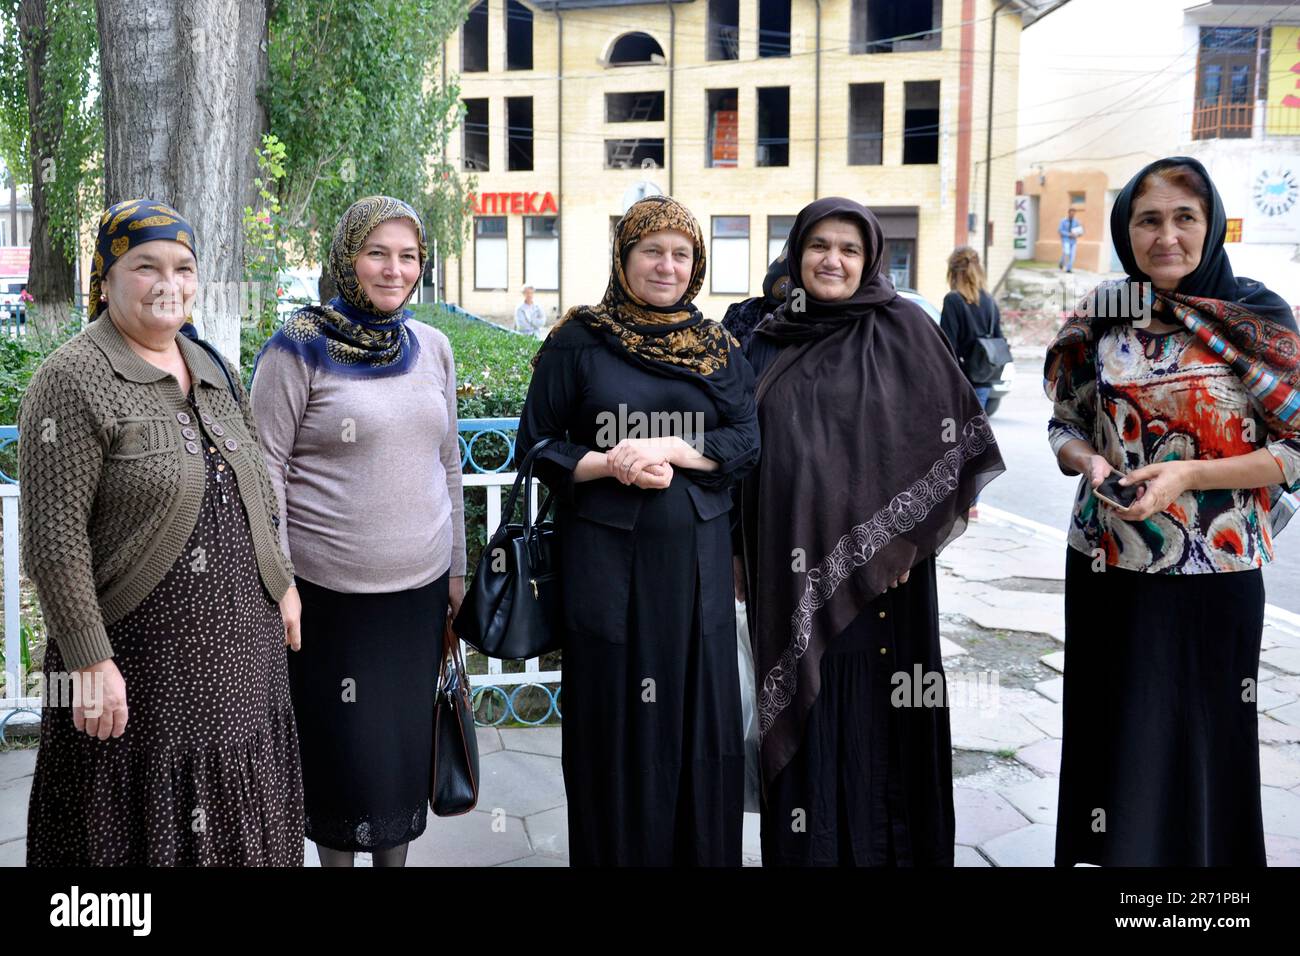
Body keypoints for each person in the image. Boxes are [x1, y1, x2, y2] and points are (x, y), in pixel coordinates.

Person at [20, 199, 304, 865]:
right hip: (140, 670)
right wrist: (90, 660)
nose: (167, 282)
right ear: (107, 276)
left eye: (183, 266)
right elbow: (54, 543)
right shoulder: (73, 378)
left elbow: (257, 483)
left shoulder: (212, 366)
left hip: (244, 661)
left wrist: (283, 585)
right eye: (146, 266)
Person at [1045, 157, 1300, 866]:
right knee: (1116, 728)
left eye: (1184, 217)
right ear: (1127, 231)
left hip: (1216, 572)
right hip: (1108, 564)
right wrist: (1090, 463)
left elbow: (1296, 447)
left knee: (1202, 735)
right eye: (1148, 220)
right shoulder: (1102, 314)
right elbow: (1064, 425)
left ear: (1210, 223)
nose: (1167, 236)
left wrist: (1188, 473)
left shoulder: (1257, 316)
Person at [737, 197, 1005, 867]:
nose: (833, 259)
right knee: (810, 719)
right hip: (789, 573)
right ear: (796, 253)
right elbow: (736, 451)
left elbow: (955, 440)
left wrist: (910, 534)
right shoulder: (767, 335)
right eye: (819, 245)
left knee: (882, 732)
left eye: (849, 249)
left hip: (889, 585)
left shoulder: (906, 328)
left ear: (870, 259)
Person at [516, 195, 760, 866]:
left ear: (696, 264)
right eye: (652, 250)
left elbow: (747, 439)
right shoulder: (579, 339)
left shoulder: (716, 346)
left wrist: (678, 451)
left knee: (699, 726)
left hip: (698, 579)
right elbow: (534, 445)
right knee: (616, 724)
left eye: (681, 254)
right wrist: (607, 463)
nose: (667, 265)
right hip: (605, 571)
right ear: (624, 258)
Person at [251, 196, 467, 868]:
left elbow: (449, 463)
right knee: (343, 754)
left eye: (408, 256)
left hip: (418, 597)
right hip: (329, 601)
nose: (393, 269)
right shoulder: (298, 347)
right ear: (346, 258)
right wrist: (281, 581)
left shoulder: (432, 347)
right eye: (377, 253)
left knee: (401, 752)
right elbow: (264, 471)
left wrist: (456, 573)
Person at [940, 246, 1005, 518]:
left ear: (952, 272)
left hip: (960, 381)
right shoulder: (989, 302)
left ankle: (962, 503)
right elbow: (999, 337)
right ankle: (973, 502)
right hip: (984, 380)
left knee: (952, 443)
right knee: (973, 440)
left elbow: (947, 346)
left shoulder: (954, 301)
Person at [1059, 207, 1083, 273]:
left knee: (1072, 255)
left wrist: (1077, 234)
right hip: (1065, 240)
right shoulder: (1063, 221)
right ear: (1068, 213)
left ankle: (1068, 268)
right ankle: (1061, 263)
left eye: (1074, 213)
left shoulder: (1076, 222)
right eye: (1071, 213)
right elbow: (1060, 231)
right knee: (1066, 253)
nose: (1072, 215)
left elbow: (1081, 232)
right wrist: (1069, 234)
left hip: (1073, 241)